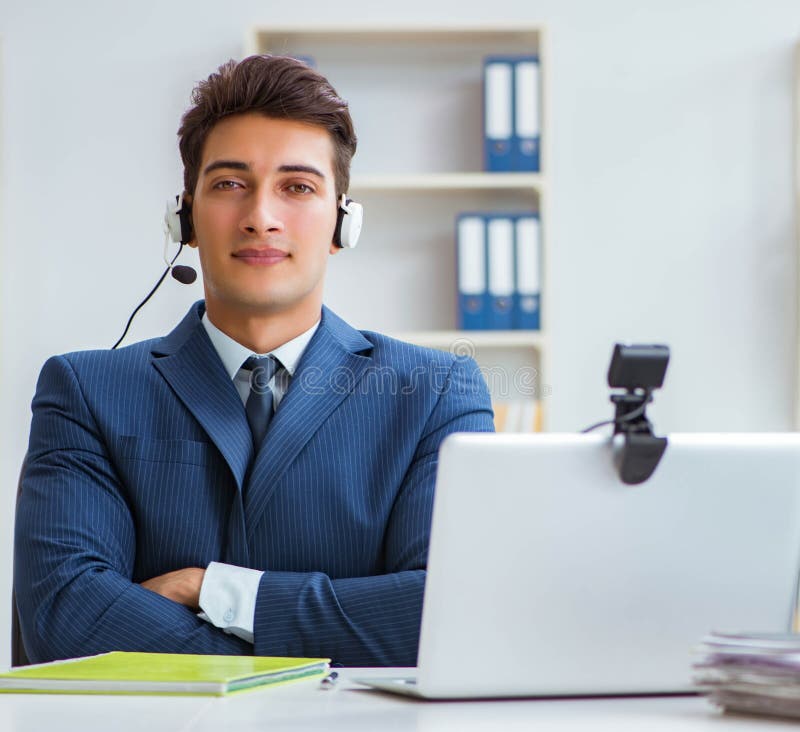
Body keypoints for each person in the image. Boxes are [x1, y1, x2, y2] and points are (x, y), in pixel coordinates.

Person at [14, 55, 494, 667]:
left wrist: (218, 591)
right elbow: (66, 616)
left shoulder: (436, 393)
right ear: (184, 217)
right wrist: (325, 638)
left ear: (343, 223)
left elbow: (454, 614)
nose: (261, 217)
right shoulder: (85, 391)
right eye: (230, 184)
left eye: (298, 187)